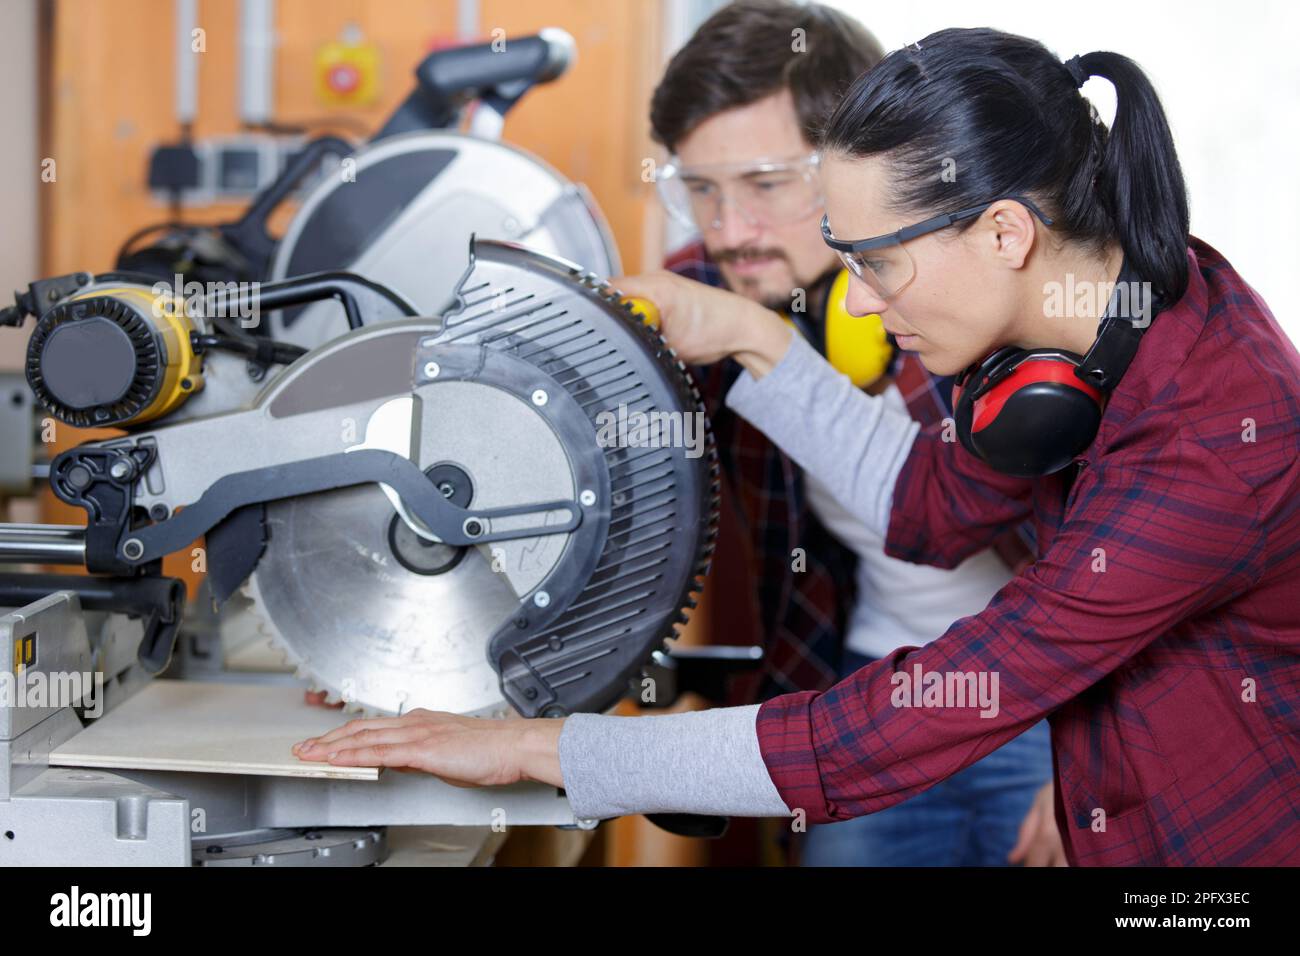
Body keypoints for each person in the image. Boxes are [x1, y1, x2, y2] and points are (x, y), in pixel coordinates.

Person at [294, 27, 1300, 866]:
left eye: (880, 263)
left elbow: (913, 717)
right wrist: (751, 333)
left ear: (1003, 234)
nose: (856, 301)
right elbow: (931, 507)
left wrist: (535, 748)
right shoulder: (1066, 329)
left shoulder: (1212, 442)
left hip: (1214, 841)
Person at [645, 0, 1056, 865]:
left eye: (764, 183)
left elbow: (1141, 555)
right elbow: (583, 471)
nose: (729, 230)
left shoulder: (1000, 287)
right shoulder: (716, 290)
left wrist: (1099, 758)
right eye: (701, 190)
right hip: (875, 697)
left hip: (1052, 705)